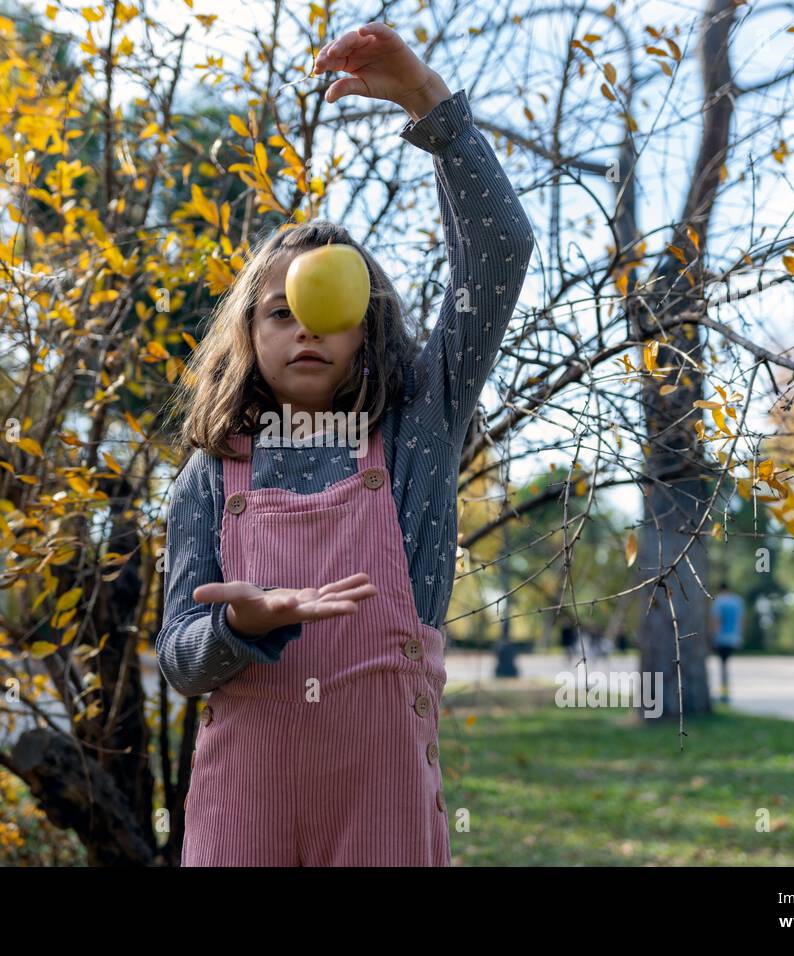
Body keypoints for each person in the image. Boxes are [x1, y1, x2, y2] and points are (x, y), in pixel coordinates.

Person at [154, 21, 534, 868]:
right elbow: (179, 660)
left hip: (383, 806)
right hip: (242, 813)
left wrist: (430, 105)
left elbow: (501, 253)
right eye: (280, 313)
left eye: (331, 311)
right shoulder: (211, 479)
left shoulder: (416, 431)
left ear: (370, 329)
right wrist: (237, 630)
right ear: (249, 334)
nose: (306, 330)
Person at [710, 581, 745, 703]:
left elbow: (717, 621)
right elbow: (740, 620)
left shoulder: (718, 602)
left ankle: (724, 694)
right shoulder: (737, 601)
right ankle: (725, 693)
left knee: (723, 667)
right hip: (734, 638)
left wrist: (714, 637)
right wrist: (739, 637)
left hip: (721, 638)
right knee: (725, 666)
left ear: (719, 589)